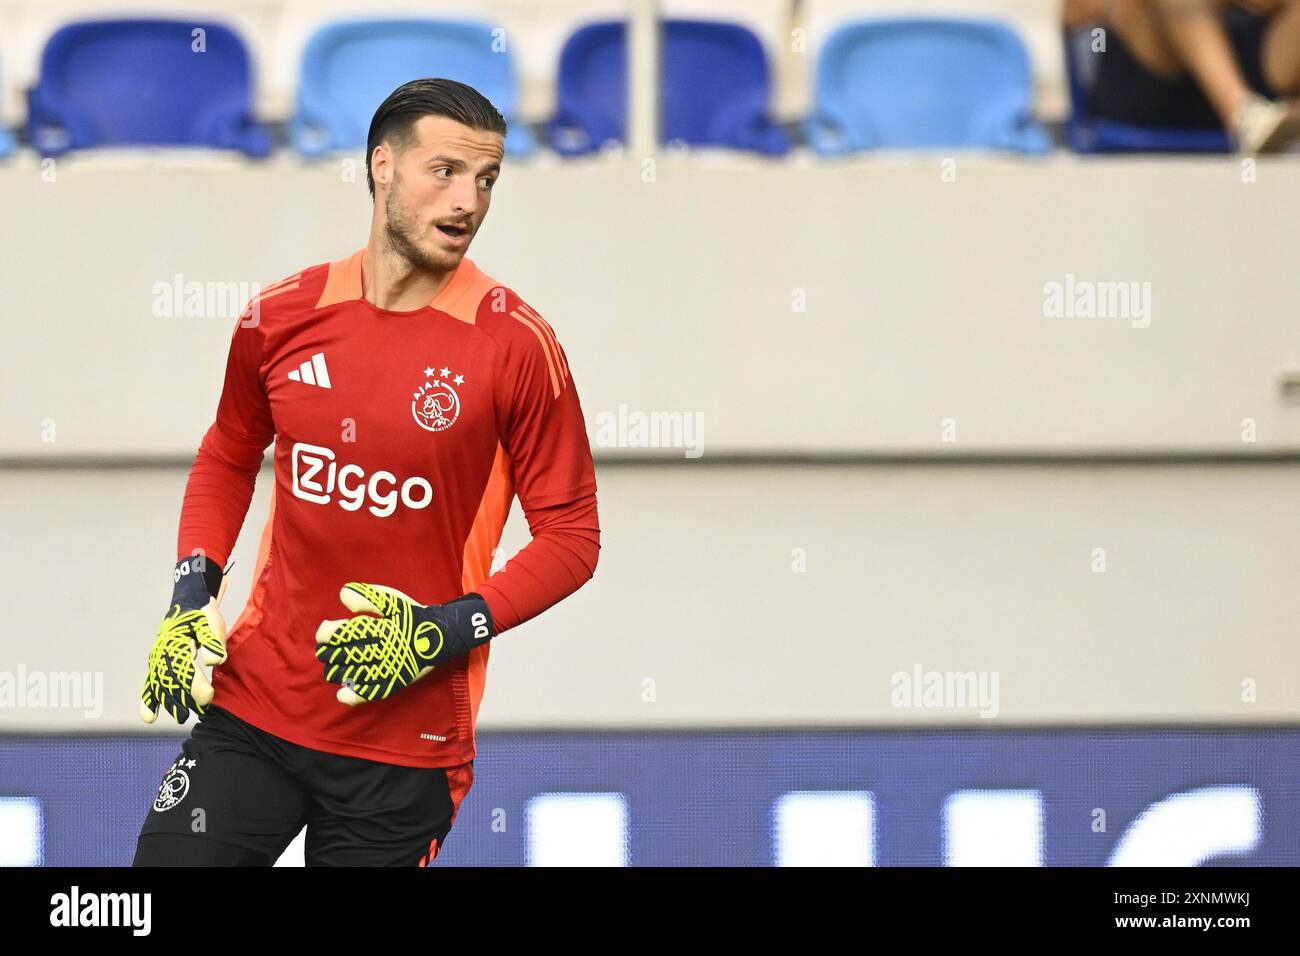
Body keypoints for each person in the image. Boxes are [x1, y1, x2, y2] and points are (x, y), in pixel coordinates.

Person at [133, 78, 601, 866]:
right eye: (445, 171)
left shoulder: (516, 345)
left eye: (487, 180)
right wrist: (189, 597)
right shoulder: (279, 316)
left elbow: (573, 537)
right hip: (258, 709)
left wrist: (440, 630)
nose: (470, 201)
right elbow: (227, 451)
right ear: (382, 166)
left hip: (404, 748)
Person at [1066, 0, 1300, 151]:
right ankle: (1244, 116)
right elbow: (1079, 9)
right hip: (1148, 74)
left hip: (1249, 64)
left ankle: (1260, 116)